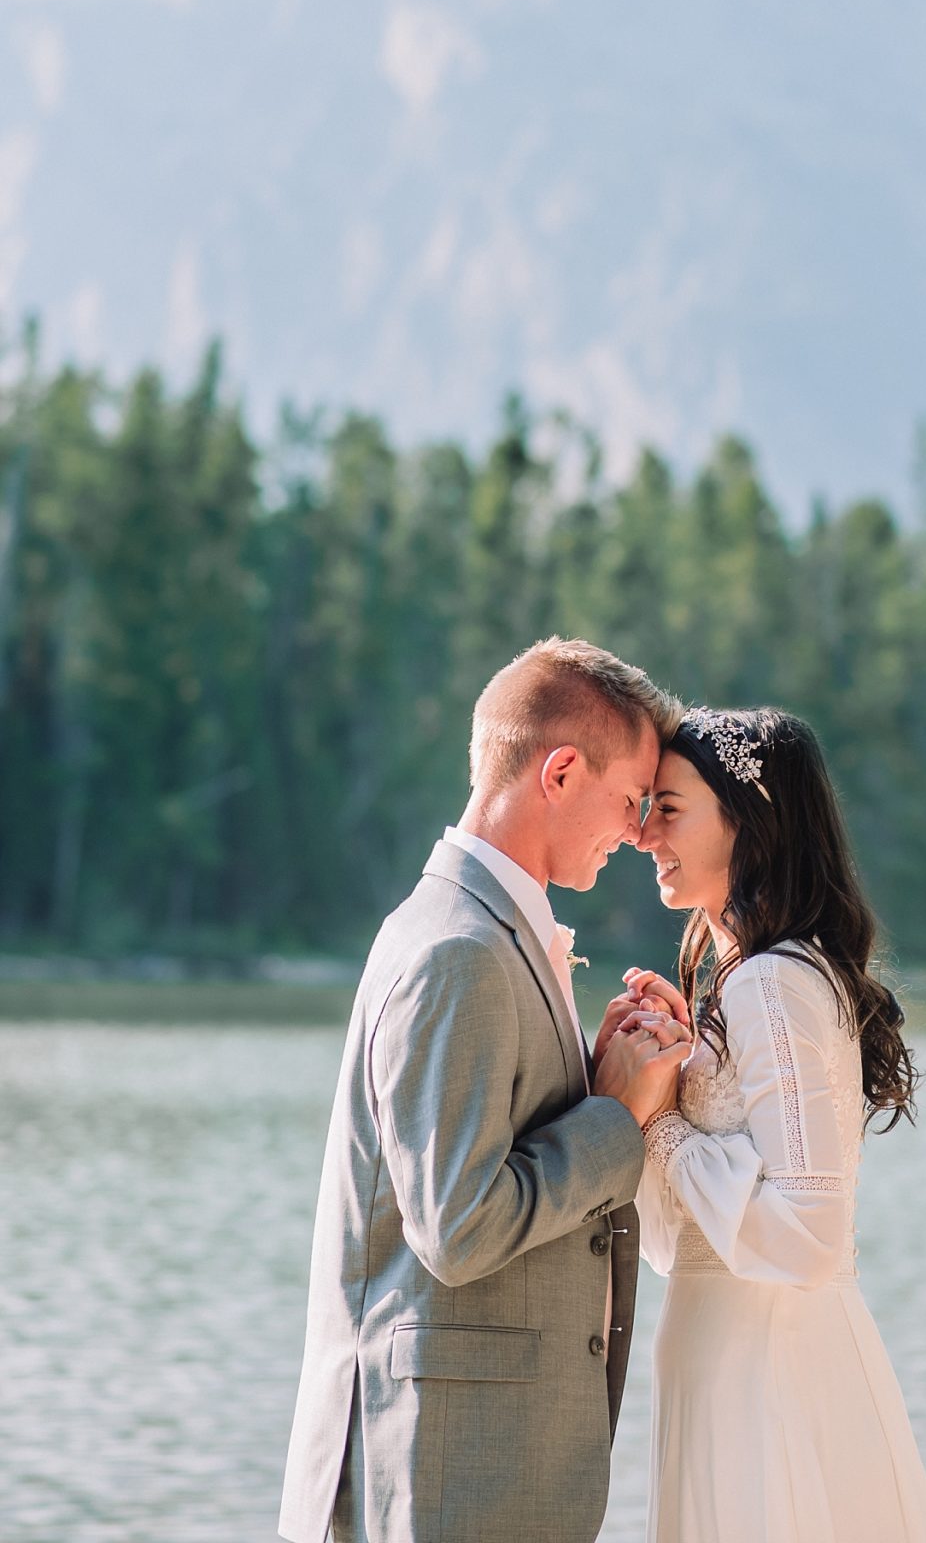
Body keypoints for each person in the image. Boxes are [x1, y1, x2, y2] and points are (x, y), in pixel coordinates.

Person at [278, 637, 691, 1543]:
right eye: (631, 799)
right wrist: (613, 1118)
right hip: (443, 1478)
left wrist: (597, 1071)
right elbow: (458, 1227)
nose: (637, 832)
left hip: (470, 1465)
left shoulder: (474, 928)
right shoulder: (459, 950)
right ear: (561, 772)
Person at [624, 704, 926, 1543]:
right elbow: (679, 1233)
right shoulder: (757, 977)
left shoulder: (770, 982)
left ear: (747, 819)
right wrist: (677, 1063)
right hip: (729, 1346)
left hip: (762, 1366)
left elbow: (807, 1232)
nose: (642, 833)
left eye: (668, 808)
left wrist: (658, 1123)